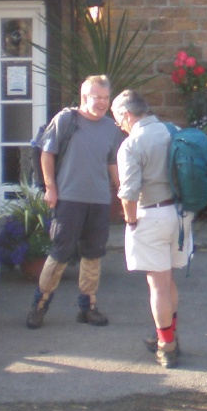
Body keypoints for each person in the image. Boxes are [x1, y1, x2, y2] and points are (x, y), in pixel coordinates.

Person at [26, 75, 124, 329]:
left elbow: (112, 161)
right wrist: (50, 189)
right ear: (84, 97)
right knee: (60, 253)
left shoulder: (111, 128)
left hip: (99, 200)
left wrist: (122, 191)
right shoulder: (66, 120)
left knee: (93, 255)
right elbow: (47, 153)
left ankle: (88, 307)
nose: (102, 103)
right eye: (97, 98)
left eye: (105, 98)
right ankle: (40, 305)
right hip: (68, 198)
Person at [111, 89, 193, 369]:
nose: (118, 124)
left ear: (128, 114)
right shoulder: (173, 131)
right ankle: (171, 334)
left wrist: (130, 220)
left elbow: (129, 192)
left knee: (157, 284)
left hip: (151, 215)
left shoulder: (132, 145)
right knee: (168, 280)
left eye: (117, 118)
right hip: (180, 214)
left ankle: (166, 345)